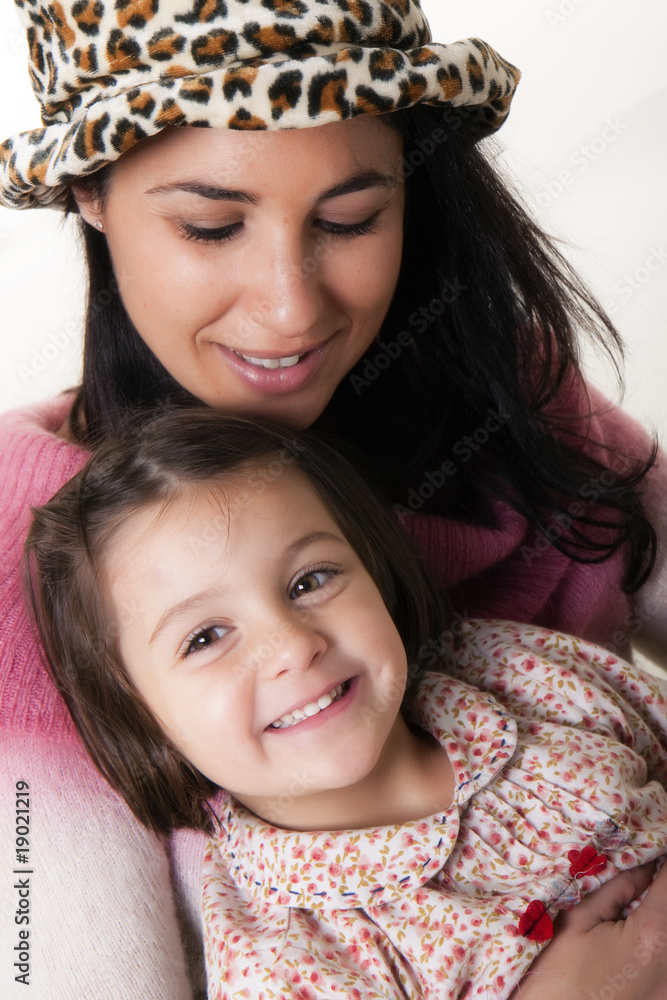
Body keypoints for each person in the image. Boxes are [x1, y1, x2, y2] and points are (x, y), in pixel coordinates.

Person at [1, 0, 666, 995]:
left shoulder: (496, 386)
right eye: (211, 224)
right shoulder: (32, 555)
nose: (290, 307)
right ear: (90, 191)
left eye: (351, 217)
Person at [24, 407, 667, 999]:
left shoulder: (519, 675)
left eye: (311, 579)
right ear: (142, 719)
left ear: (376, 572)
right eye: (206, 637)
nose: (292, 646)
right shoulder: (283, 964)